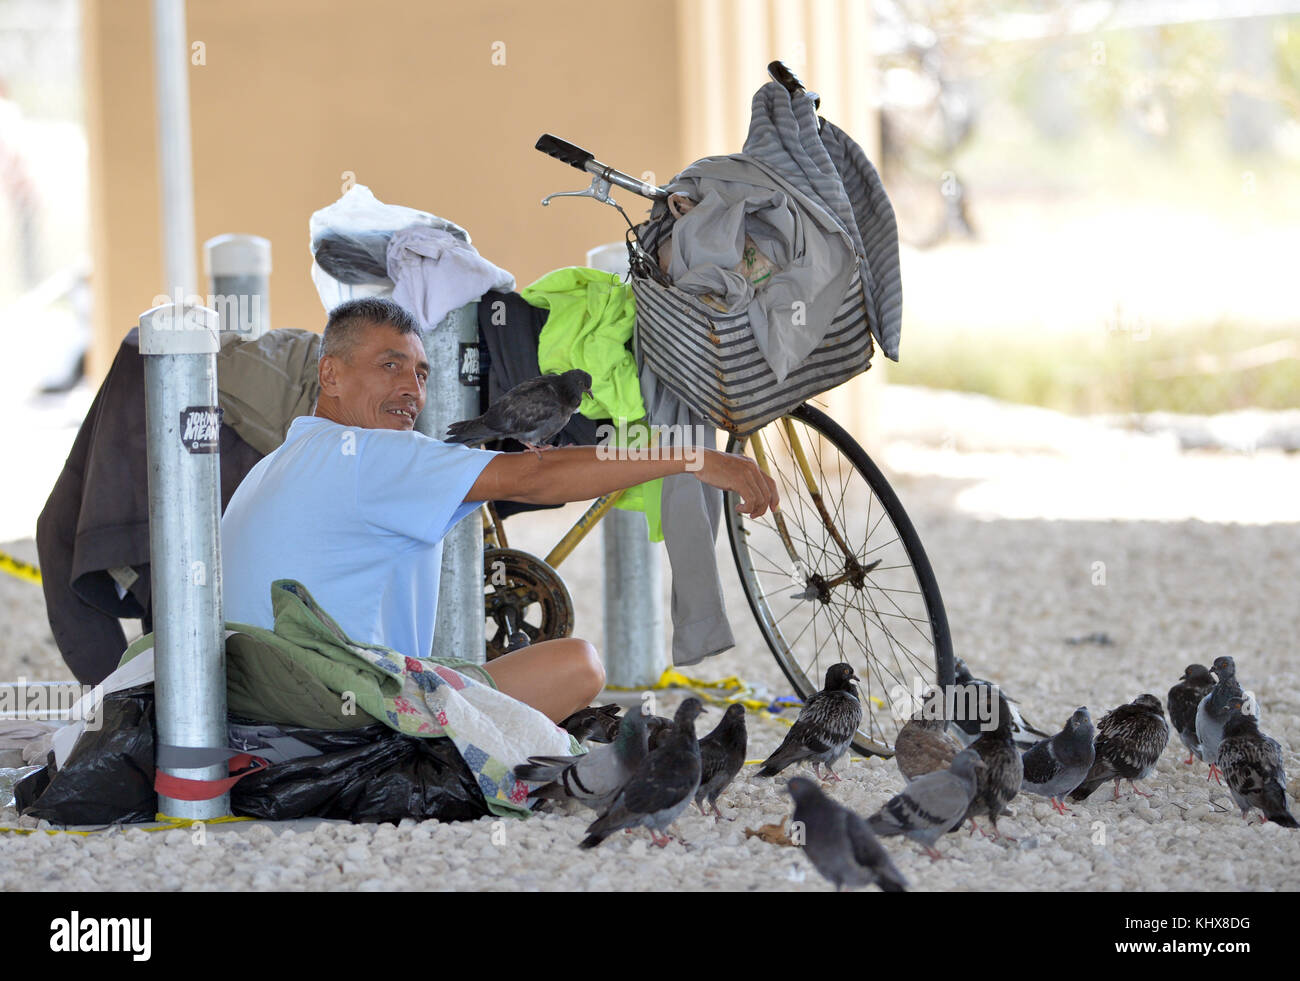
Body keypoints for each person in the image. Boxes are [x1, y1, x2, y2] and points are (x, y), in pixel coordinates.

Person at [221, 297, 778, 723]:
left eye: (420, 373)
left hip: (260, 705)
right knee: (577, 664)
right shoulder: (372, 453)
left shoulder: (277, 463)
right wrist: (687, 457)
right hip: (345, 713)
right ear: (330, 375)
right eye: (390, 365)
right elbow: (536, 474)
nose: (411, 388)